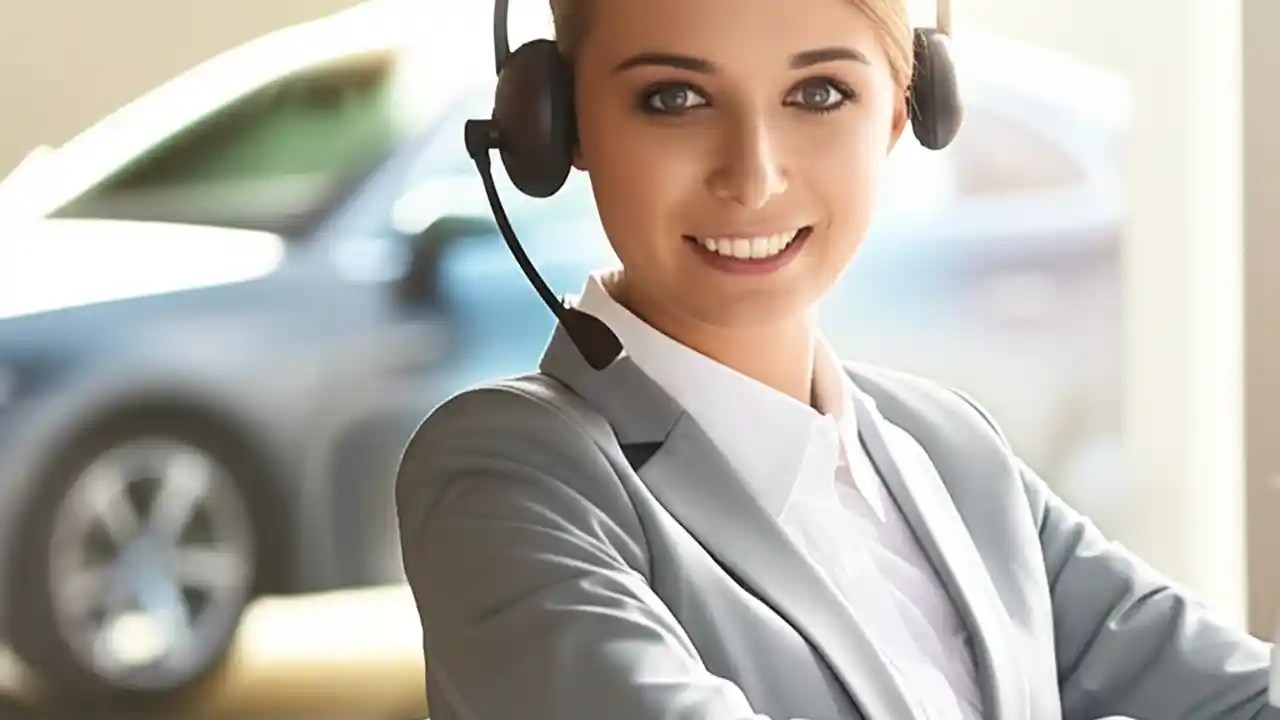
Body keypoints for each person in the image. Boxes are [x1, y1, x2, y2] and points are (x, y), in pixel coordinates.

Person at [394, 0, 1278, 718]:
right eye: (675, 97)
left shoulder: (947, 446)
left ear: (905, 109)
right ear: (559, 125)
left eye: (817, 93)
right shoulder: (509, 472)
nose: (753, 175)